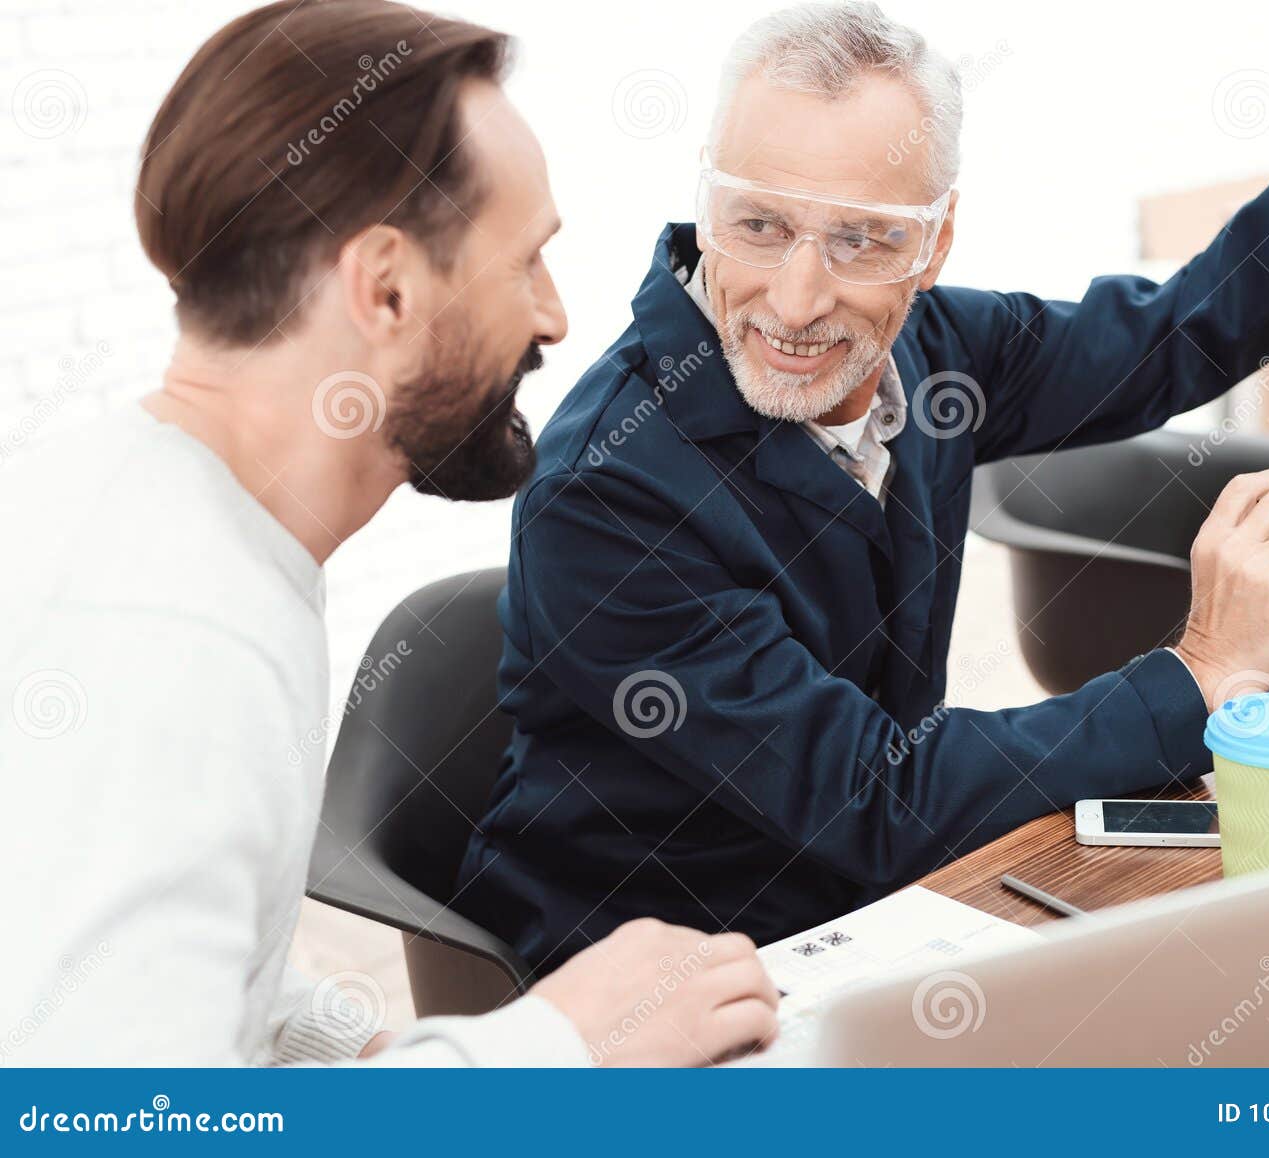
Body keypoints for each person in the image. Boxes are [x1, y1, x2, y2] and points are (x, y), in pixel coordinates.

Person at [459, 3, 1269, 971]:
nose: (794, 300)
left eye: (862, 240)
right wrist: (1197, 669)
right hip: (654, 989)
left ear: (934, 244)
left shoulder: (933, 356)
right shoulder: (607, 490)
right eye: (759, 224)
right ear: (705, 205)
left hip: (880, 912)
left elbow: (1168, 339)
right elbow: (873, 798)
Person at [0, 0, 777, 1066]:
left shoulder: (180, 533)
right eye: (524, 263)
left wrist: (374, 1053)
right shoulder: (169, 648)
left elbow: (191, 996)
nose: (553, 317)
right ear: (388, 288)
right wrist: (560, 1050)